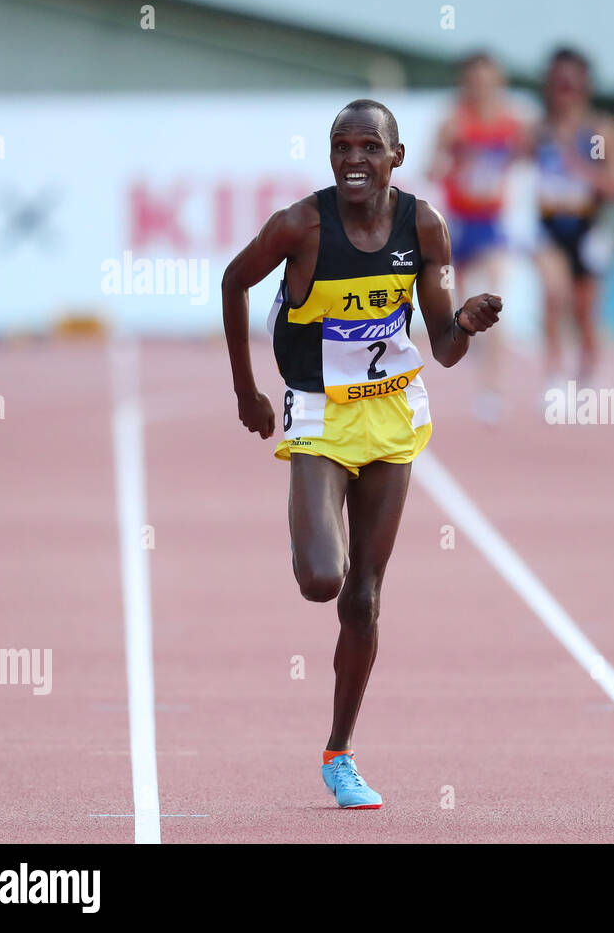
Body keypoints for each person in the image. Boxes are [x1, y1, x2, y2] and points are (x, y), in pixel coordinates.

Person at [221, 99, 502, 807]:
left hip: (394, 413)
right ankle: (308, 531)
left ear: (396, 158)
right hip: (318, 412)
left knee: (363, 600)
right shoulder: (300, 226)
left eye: (368, 147)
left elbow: (442, 345)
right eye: (341, 146)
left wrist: (465, 322)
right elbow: (232, 281)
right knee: (321, 578)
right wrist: (247, 394)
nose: (353, 159)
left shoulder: (425, 227)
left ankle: (339, 752)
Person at [428, 52, 527, 423]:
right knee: (463, 306)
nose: (482, 88)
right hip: (458, 224)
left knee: (495, 299)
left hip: (491, 223)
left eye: (489, 81)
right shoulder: (453, 123)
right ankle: (476, 352)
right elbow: (431, 168)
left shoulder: (512, 123)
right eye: (475, 81)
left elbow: (529, 160)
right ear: (466, 83)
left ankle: (491, 389)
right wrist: (452, 157)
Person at [533, 47, 614, 386]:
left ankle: (587, 374)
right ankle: (553, 375)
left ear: (585, 86)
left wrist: (584, 172)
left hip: (587, 227)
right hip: (548, 227)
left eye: (571, 85)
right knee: (552, 296)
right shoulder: (538, 131)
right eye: (558, 84)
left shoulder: (599, 132)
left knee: (583, 312)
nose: (565, 92)